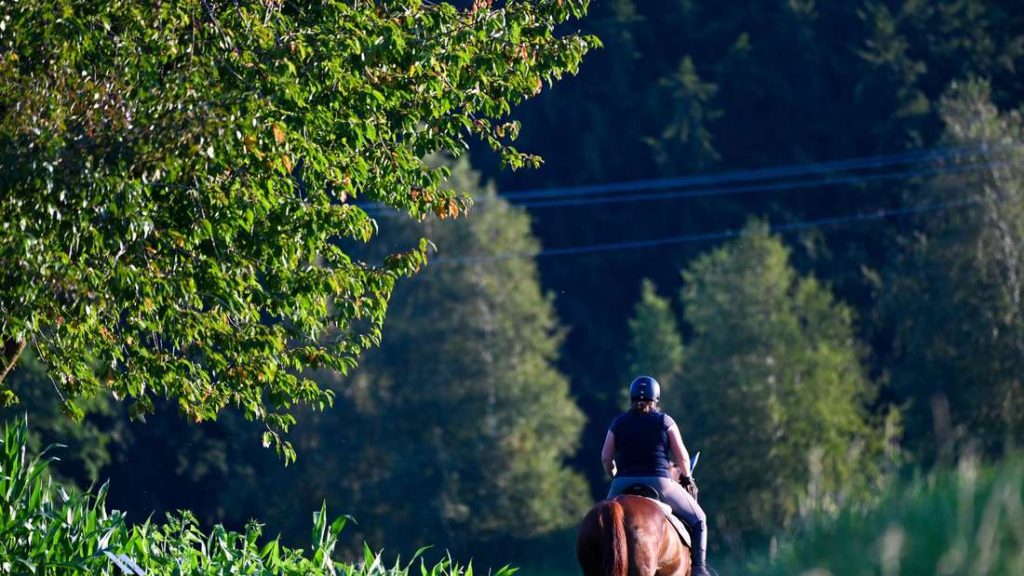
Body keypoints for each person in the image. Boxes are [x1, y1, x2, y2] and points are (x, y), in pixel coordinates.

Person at [602, 375, 711, 576]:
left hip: (622, 482)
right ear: (657, 399)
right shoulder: (665, 421)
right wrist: (687, 478)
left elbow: (606, 458)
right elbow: (683, 459)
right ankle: (699, 568)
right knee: (699, 520)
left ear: (631, 398)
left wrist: (614, 474)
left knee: (604, 521)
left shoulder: (617, 423)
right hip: (660, 482)